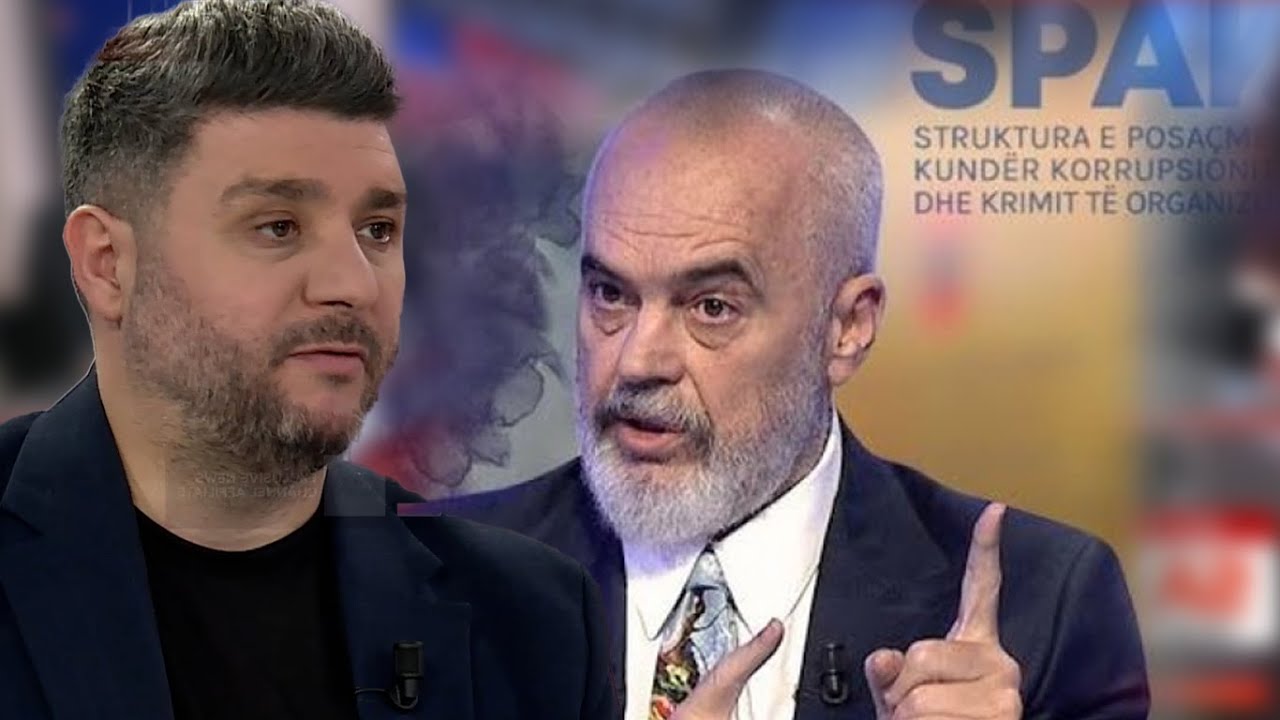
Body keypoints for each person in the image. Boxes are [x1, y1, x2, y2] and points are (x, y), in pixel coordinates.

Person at [423, 69, 1150, 720]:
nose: (637, 361)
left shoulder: (1043, 610)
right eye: (611, 295)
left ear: (847, 328)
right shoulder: (424, 578)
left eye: (711, 307)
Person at [0, 2, 613, 718]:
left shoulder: (530, 623)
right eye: (278, 227)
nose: (353, 283)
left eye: (377, 229)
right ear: (108, 265)